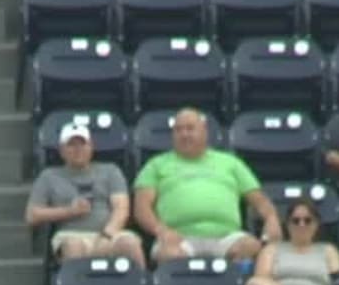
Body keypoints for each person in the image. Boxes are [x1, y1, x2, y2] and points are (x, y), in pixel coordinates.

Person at [132, 108, 280, 265]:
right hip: (179, 237)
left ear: (204, 132)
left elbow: (260, 200)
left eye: (190, 128)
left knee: (251, 246)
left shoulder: (230, 163)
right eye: (178, 130)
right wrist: (161, 231)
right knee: (168, 254)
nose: (184, 134)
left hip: (227, 237)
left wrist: (271, 218)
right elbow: (141, 208)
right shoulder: (156, 165)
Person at [25, 122, 145, 268]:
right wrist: (69, 211)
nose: (78, 149)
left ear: (91, 147)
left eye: (83, 144)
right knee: (73, 247)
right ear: (62, 151)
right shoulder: (48, 176)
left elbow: (121, 208)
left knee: (129, 243)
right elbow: (32, 215)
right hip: (72, 235)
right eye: (71, 145)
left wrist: (107, 234)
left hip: (109, 233)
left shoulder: (110, 171)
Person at [242, 199, 339, 285]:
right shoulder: (272, 249)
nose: (302, 225)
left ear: (316, 224)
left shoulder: (328, 250)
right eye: (296, 221)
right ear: (288, 224)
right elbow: (263, 281)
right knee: (253, 284)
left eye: (308, 220)